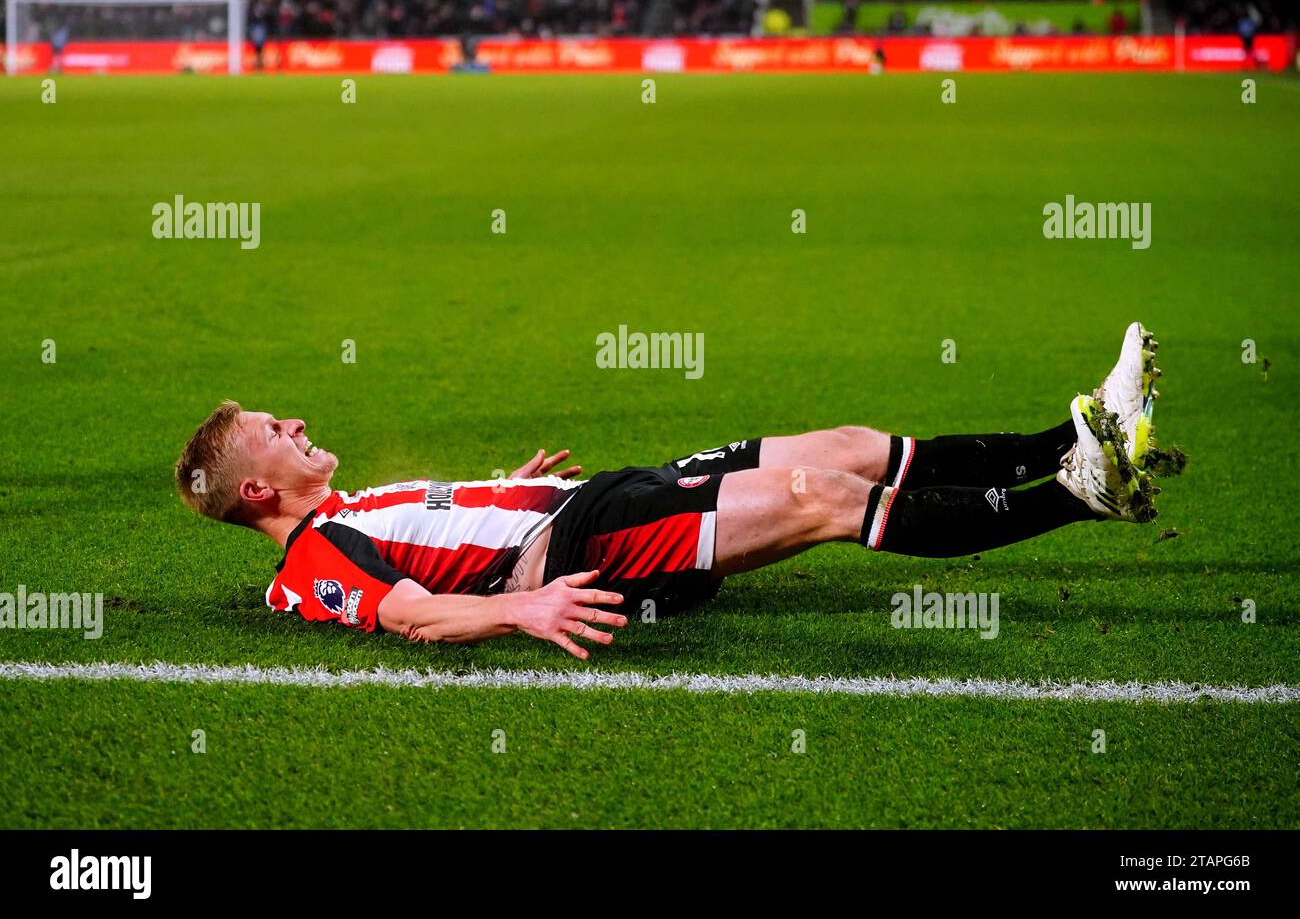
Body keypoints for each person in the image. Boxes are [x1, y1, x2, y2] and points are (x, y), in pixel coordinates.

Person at [174, 324, 1182, 658]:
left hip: (589, 501)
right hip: (590, 543)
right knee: (817, 492)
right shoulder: (313, 557)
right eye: (277, 429)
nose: (296, 421)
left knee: (844, 442)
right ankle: (1077, 492)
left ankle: (1078, 429)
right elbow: (410, 615)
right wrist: (521, 603)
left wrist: (499, 493)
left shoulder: (346, 512)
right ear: (260, 485)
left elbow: (434, 539)